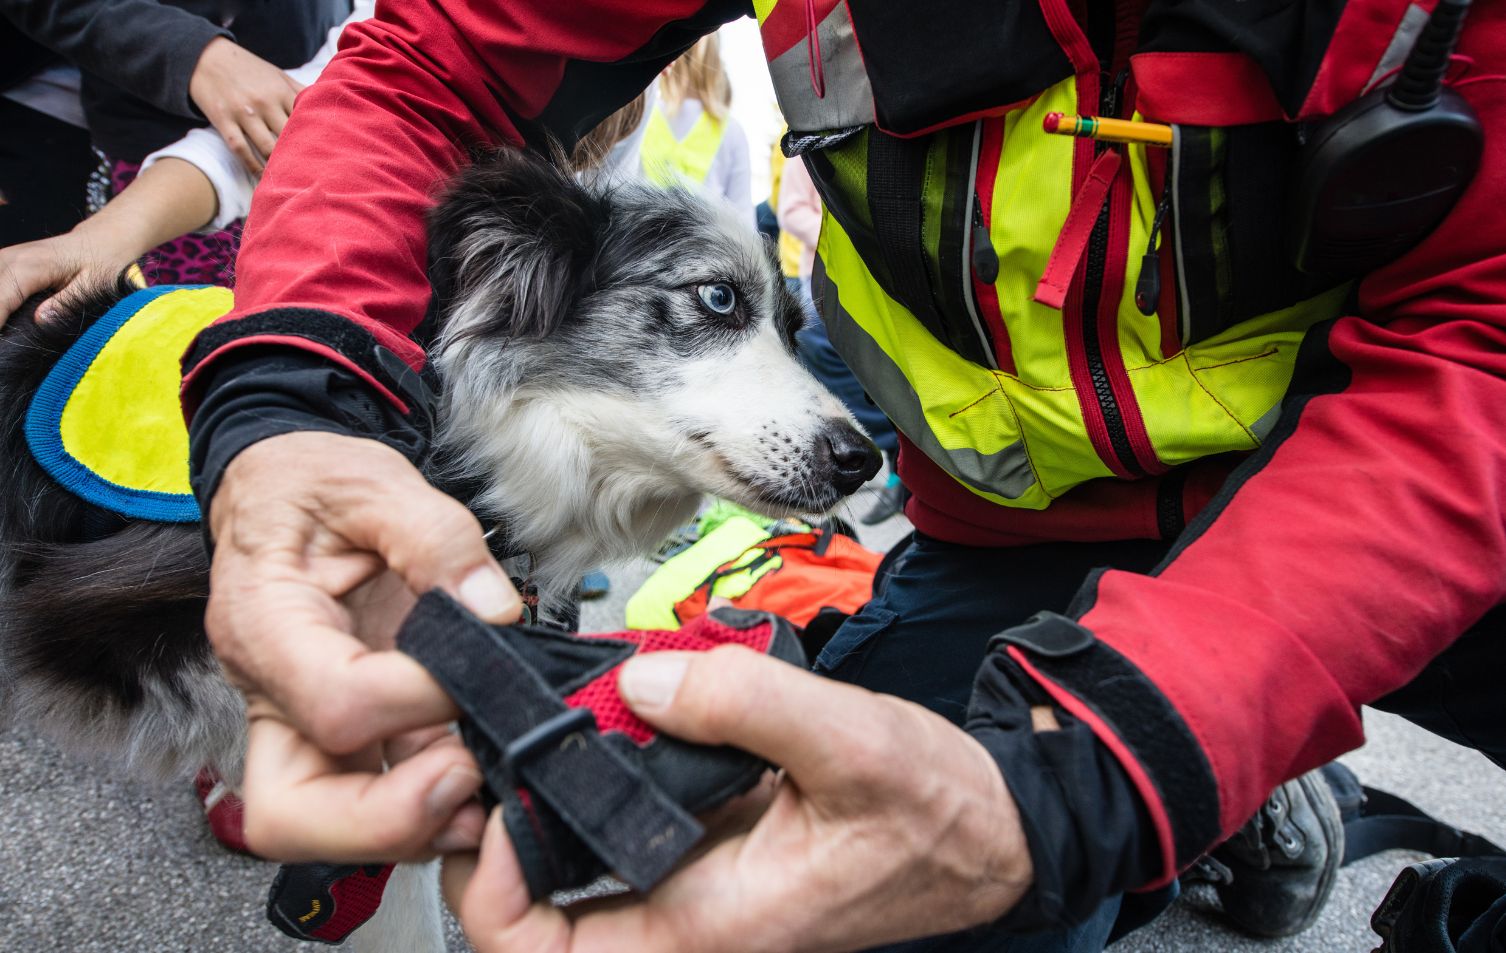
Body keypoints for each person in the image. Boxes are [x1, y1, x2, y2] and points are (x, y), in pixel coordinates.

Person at [165, 2, 1506, 953]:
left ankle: (1241, 760)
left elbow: (1481, 330)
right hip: (1015, 521)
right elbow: (429, 65)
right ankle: (1238, 762)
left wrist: (1115, 763)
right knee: (841, 905)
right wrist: (294, 405)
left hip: (1386, 490)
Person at [775, 154, 906, 525]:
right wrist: (856, 236)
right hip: (828, 279)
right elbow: (793, 211)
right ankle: (895, 450)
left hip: (884, 283)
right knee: (827, 360)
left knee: (892, 373)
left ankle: (905, 468)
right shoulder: (808, 146)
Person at [638, 34, 754, 229]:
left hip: (644, 247)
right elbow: (744, 218)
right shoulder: (731, 130)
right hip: (707, 252)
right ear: (715, 60)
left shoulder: (643, 118)